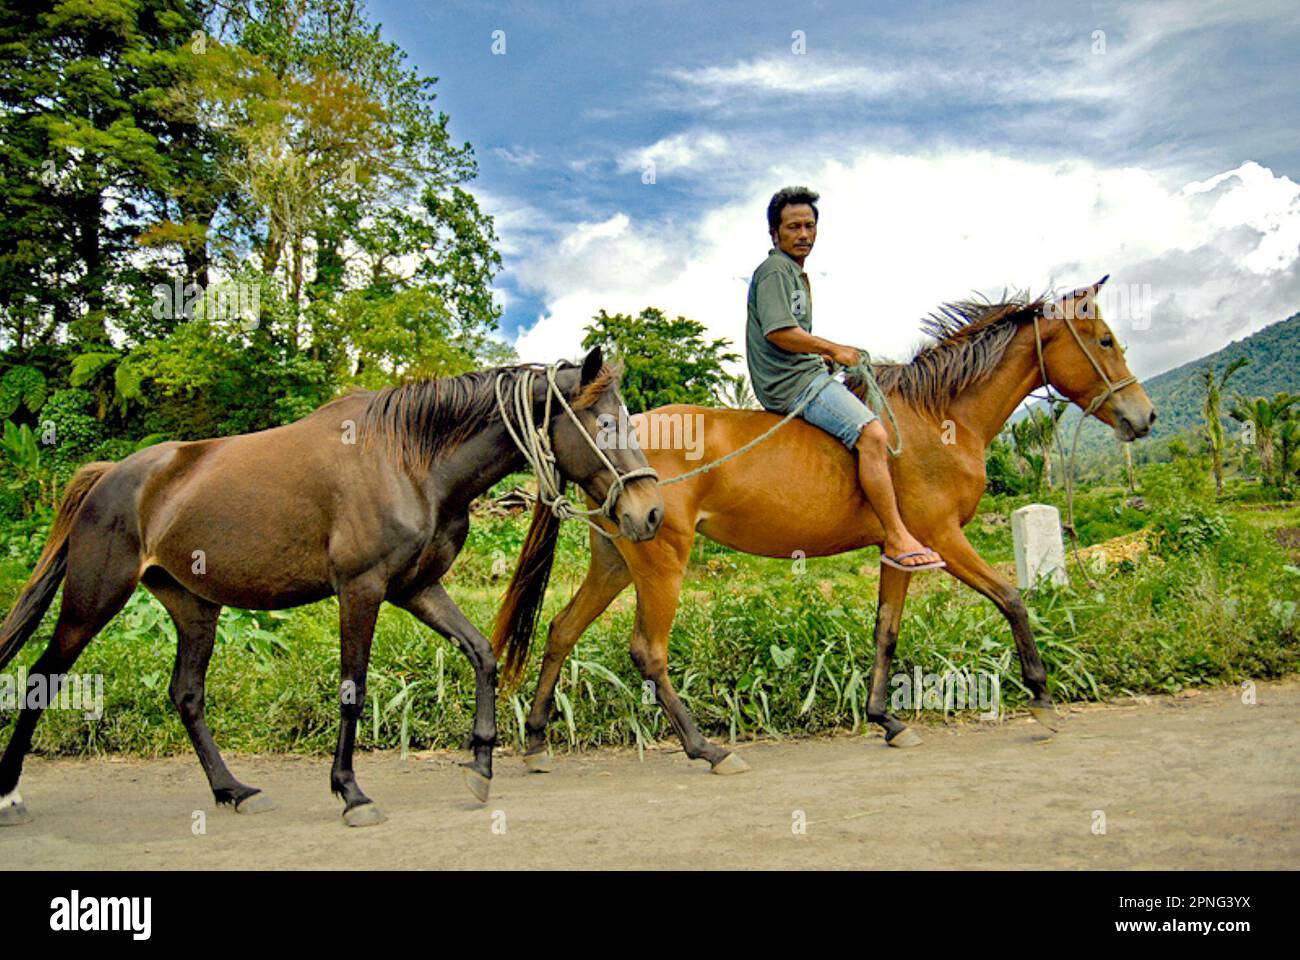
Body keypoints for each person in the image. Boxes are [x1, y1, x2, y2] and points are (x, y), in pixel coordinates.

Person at [745, 185, 945, 571]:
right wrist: (833, 349)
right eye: (792, 227)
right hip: (791, 383)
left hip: (804, 373)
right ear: (775, 234)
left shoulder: (796, 274)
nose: (802, 234)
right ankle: (896, 536)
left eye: (809, 226)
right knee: (873, 434)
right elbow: (779, 332)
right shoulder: (775, 272)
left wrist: (827, 359)